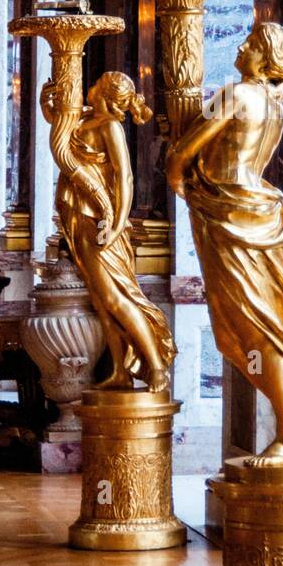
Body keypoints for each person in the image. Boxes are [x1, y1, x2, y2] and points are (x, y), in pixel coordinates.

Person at [166, 21, 283, 464]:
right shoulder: (275, 106)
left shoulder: (237, 94)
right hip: (255, 211)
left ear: (264, 59)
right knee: (266, 324)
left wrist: (180, 182)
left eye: (250, 44)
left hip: (228, 214)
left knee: (255, 328)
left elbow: (184, 151)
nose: (242, 47)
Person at [42, 70, 174, 390]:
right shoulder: (85, 118)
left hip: (99, 219)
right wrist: (46, 99)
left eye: (95, 83)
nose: (89, 86)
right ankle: (119, 371)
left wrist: (115, 225)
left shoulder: (110, 126)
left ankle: (156, 366)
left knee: (116, 297)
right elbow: (57, 125)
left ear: (103, 90)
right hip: (75, 214)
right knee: (101, 302)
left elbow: (125, 177)